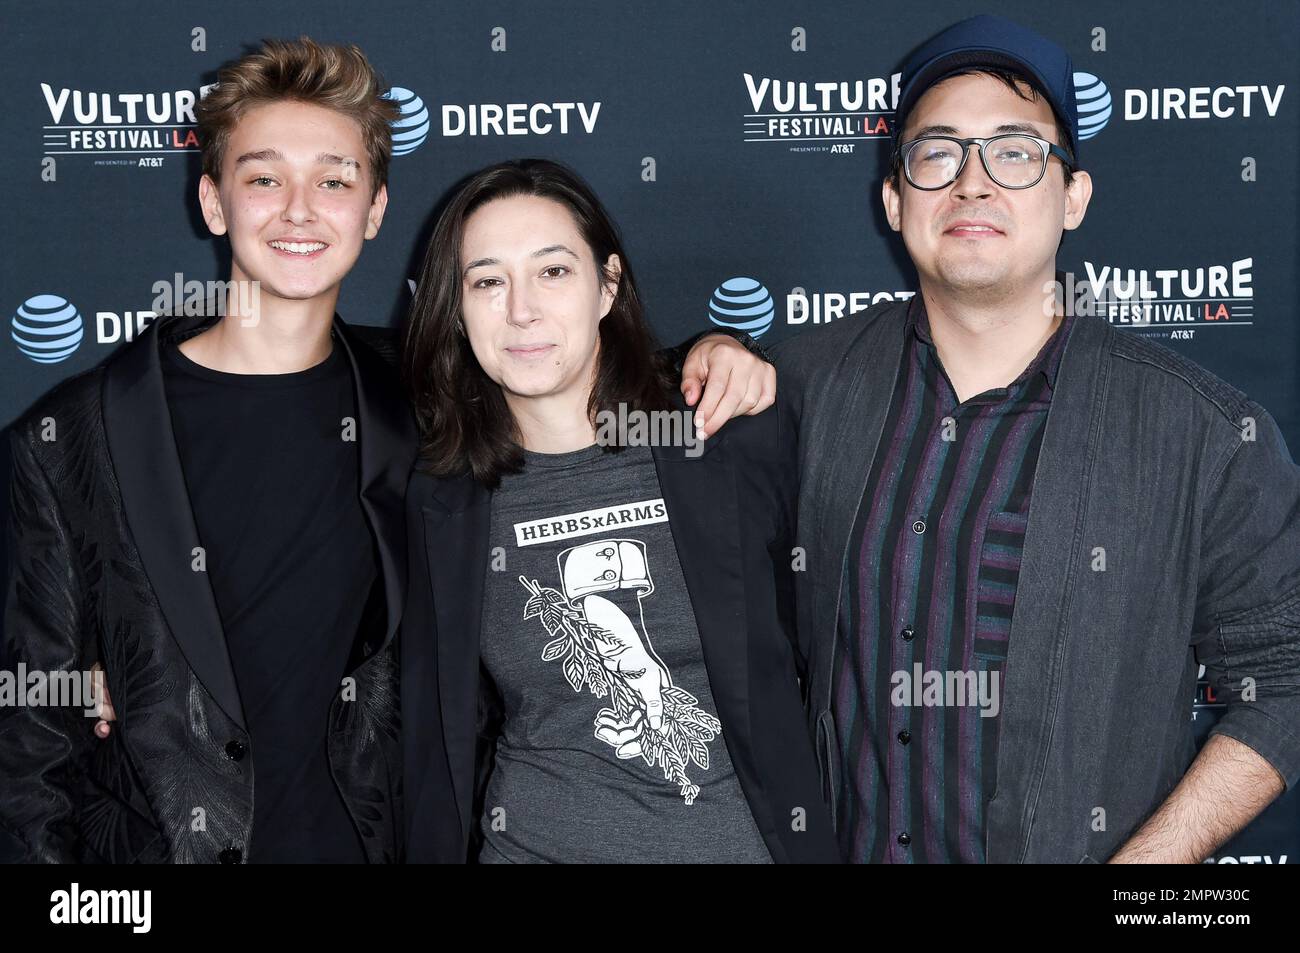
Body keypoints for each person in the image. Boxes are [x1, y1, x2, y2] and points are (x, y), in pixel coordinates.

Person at [0, 39, 771, 864]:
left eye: (334, 181)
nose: (300, 210)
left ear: (373, 210)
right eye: (264, 179)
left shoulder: (421, 395)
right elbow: (26, 752)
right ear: (214, 202)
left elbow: (564, 369)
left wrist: (710, 352)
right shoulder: (69, 443)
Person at [769, 14, 1300, 863]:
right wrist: (709, 351)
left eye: (1014, 152)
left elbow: (1288, 677)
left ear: (1074, 197)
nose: (972, 184)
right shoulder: (799, 387)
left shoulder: (1201, 435)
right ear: (895, 200)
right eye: (937, 153)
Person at [400, 158, 840, 863]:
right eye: (487, 281)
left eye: (553, 271)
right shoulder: (439, 497)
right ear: (455, 308)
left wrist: (724, 345)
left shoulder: (717, 438)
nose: (521, 310)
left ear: (607, 285)